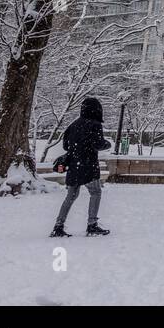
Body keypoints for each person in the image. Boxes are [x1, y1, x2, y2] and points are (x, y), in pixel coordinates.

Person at [51, 97, 111, 237]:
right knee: (95, 192)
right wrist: (107, 144)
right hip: (88, 165)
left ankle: (58, 226)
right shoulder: (95, 124)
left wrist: (78, 147)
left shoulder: (74, 124)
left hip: (74, 165)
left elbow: (66, 145)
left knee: (71, 196)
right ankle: (92, 225)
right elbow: (98, 144)